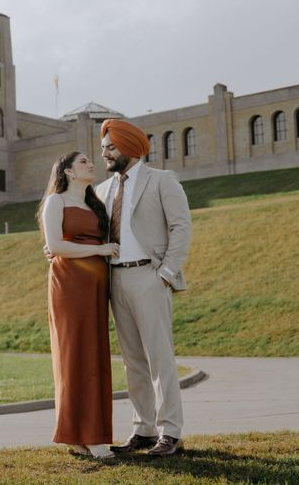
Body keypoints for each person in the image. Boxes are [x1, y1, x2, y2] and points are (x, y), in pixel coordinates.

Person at [98, 119, 192, 457]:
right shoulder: (102, 190)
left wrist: (165, 273)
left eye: (111, 147)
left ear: (129, 148)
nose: (104, 154)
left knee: (159, 357)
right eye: (103, 148)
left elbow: (181, 227)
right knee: (132, 360)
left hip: (149, 276)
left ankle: (170, 431)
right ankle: (144, 429)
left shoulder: (162, 180)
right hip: (115, 280)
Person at [39, 151, 120, 459]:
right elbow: (56, 245)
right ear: (68, 172)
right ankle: (79, 433)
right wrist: (100, 249)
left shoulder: (96, 203)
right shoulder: (56, 201)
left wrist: (101, 250)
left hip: (96, 286)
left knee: (95, 354)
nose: (91, 164)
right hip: (69, 285)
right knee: (74, 355)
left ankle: (89, 434)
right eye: (83, 161)